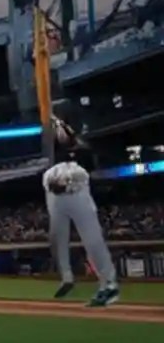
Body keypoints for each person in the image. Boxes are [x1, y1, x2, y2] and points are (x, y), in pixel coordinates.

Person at [44, 118, 119, 307]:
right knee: (56, 238)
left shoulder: (84, 152)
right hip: (56, 197)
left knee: (93, 242)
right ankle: (66, 277)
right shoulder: (54, 152)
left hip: (78, 196)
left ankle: (108, 285)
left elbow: (82, 173)